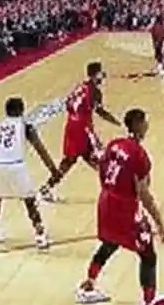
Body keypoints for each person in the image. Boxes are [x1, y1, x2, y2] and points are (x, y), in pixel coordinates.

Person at [75, 108, 164, 305]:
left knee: (110, 243)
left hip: (106, 201)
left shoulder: (114, 144)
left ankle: (88, 286)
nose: (147, 125)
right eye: (145, 121)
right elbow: (144, 193)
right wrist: (160, 225)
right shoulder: (139, 155)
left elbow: (100, 166)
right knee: (148, 256)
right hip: (125, 207)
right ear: (139, 125)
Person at [0, 96, 59, 249]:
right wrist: (52, 169)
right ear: (21, 111)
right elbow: (40, 149)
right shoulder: (25, 126)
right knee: (29, 200)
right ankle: (40, 236)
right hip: (16, 166)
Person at [41, 61, 120, 203]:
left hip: (71, 125)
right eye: (101, 73)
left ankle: (46, 189)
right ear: (95, 75)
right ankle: (114, 190)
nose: (103, 76)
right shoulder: (95, 92)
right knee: (99, 158)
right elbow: (100, 111)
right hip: (83, 128)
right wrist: (116, 121)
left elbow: (67, 105)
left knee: (70, 160)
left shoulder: (79, 87)